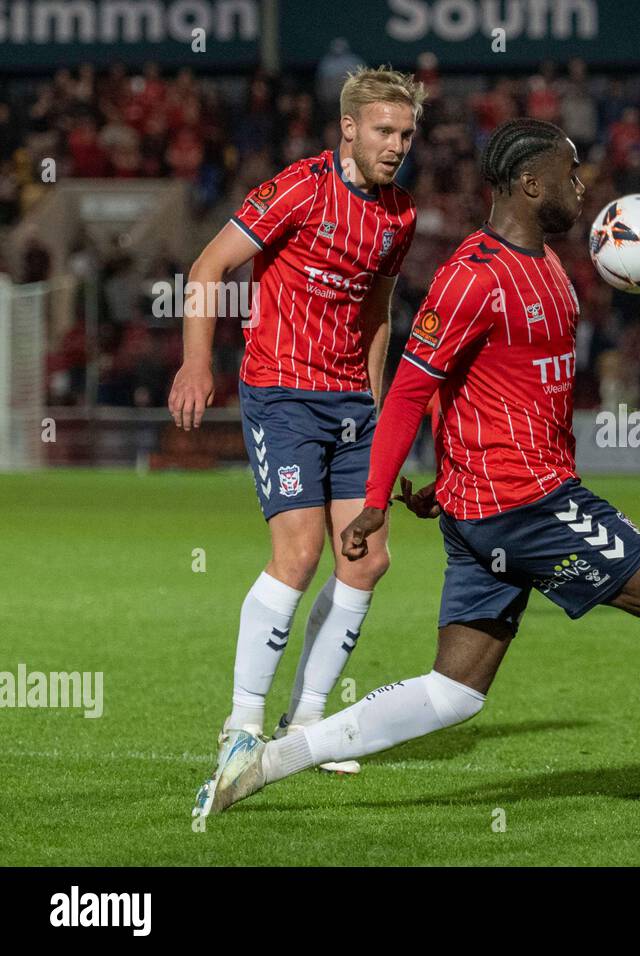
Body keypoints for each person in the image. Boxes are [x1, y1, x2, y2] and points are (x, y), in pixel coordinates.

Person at [193, 119, 640, 822]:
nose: (580, 186)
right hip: (527, 504)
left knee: (454, 691)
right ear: (529, 182)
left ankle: (266, 761)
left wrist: (443, 482)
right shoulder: (472, 277)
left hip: (487, 504)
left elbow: (481, 389)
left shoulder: (549, 267)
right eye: (569, 172)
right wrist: (374, 497)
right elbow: (409, 391)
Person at [168, 68, 423, 773]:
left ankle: (306, 723)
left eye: (405, 133)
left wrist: (375, 408)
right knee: (301, 553)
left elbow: (377, 313)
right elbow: (207, 267)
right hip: (281, 393)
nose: (397, 145)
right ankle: (242, 723)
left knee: (366, 557)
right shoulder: (298, 188)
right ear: (348, 127)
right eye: (383, 131)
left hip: (351, 403)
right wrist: (196, 363)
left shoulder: (399, 214)